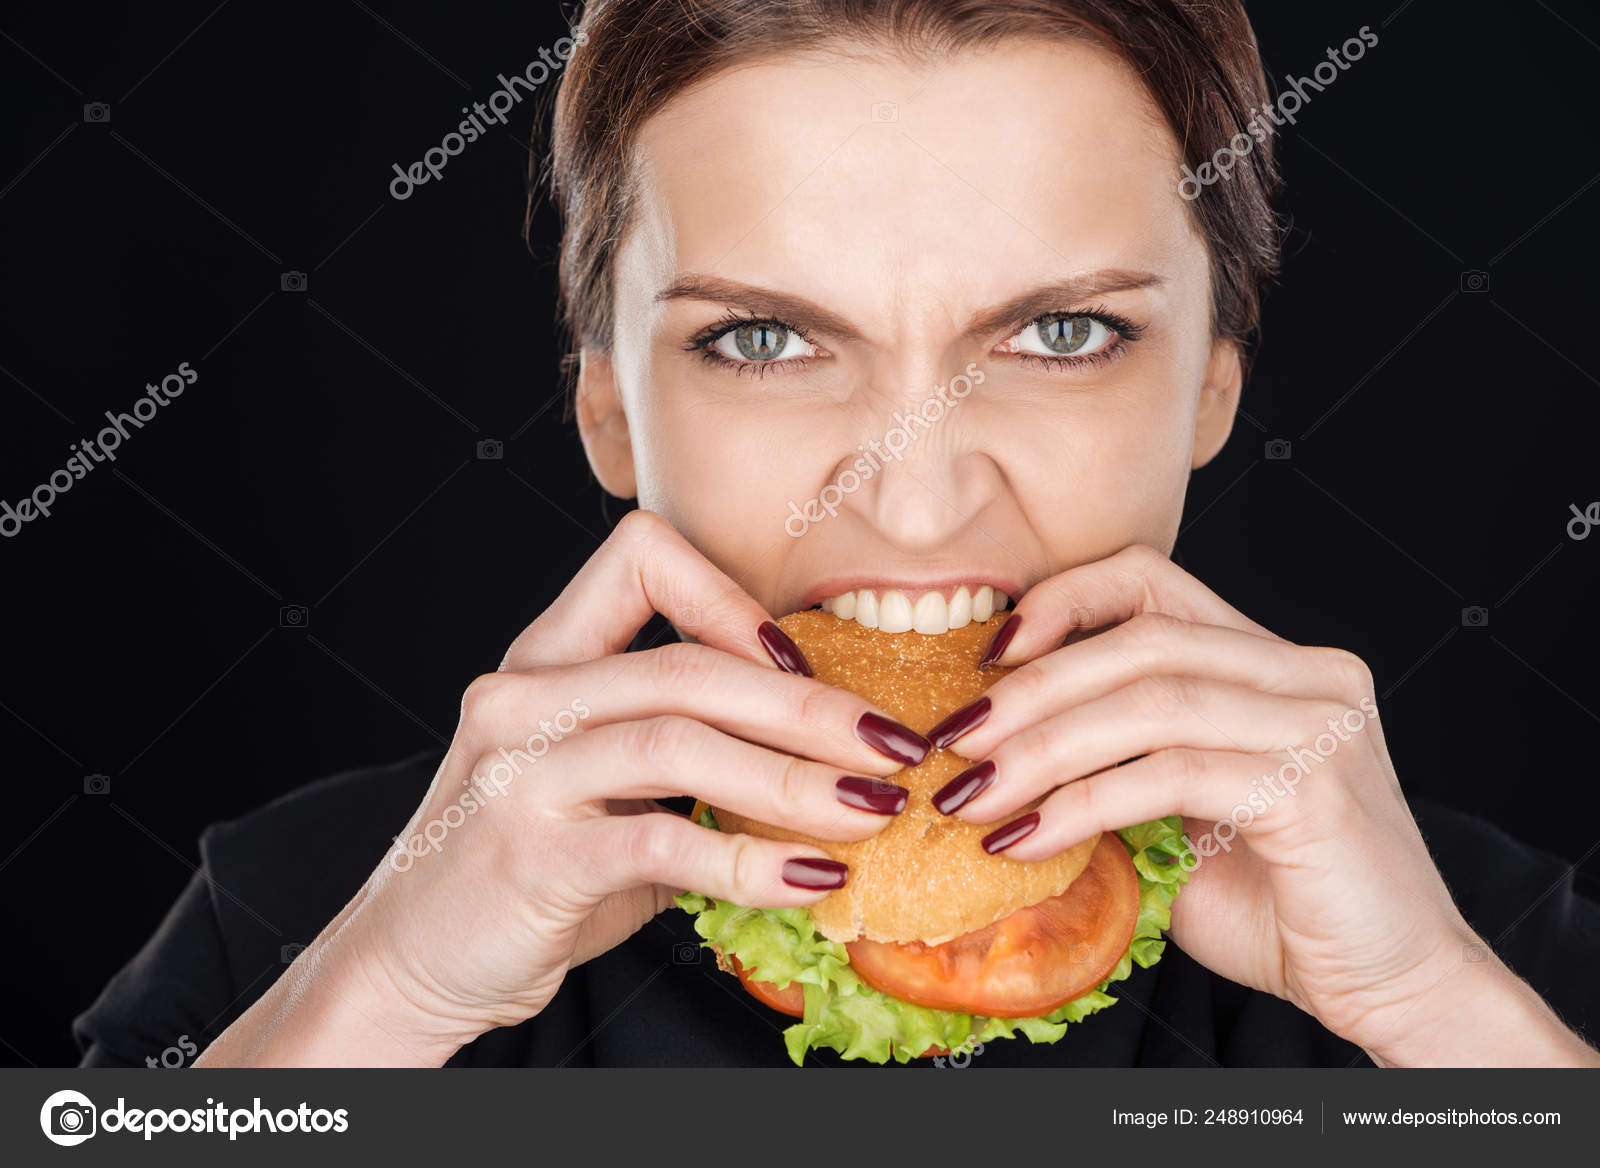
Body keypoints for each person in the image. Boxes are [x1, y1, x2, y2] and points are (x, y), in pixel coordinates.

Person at [76, 0, 1600, 1068]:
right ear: (610, 414)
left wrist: (1437, 1012)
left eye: (1063, 331)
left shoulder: (1489, 947)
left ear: (1212, 387)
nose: (920, 503)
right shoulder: (294, 914)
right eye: (762, 341)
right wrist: (379, 1002)